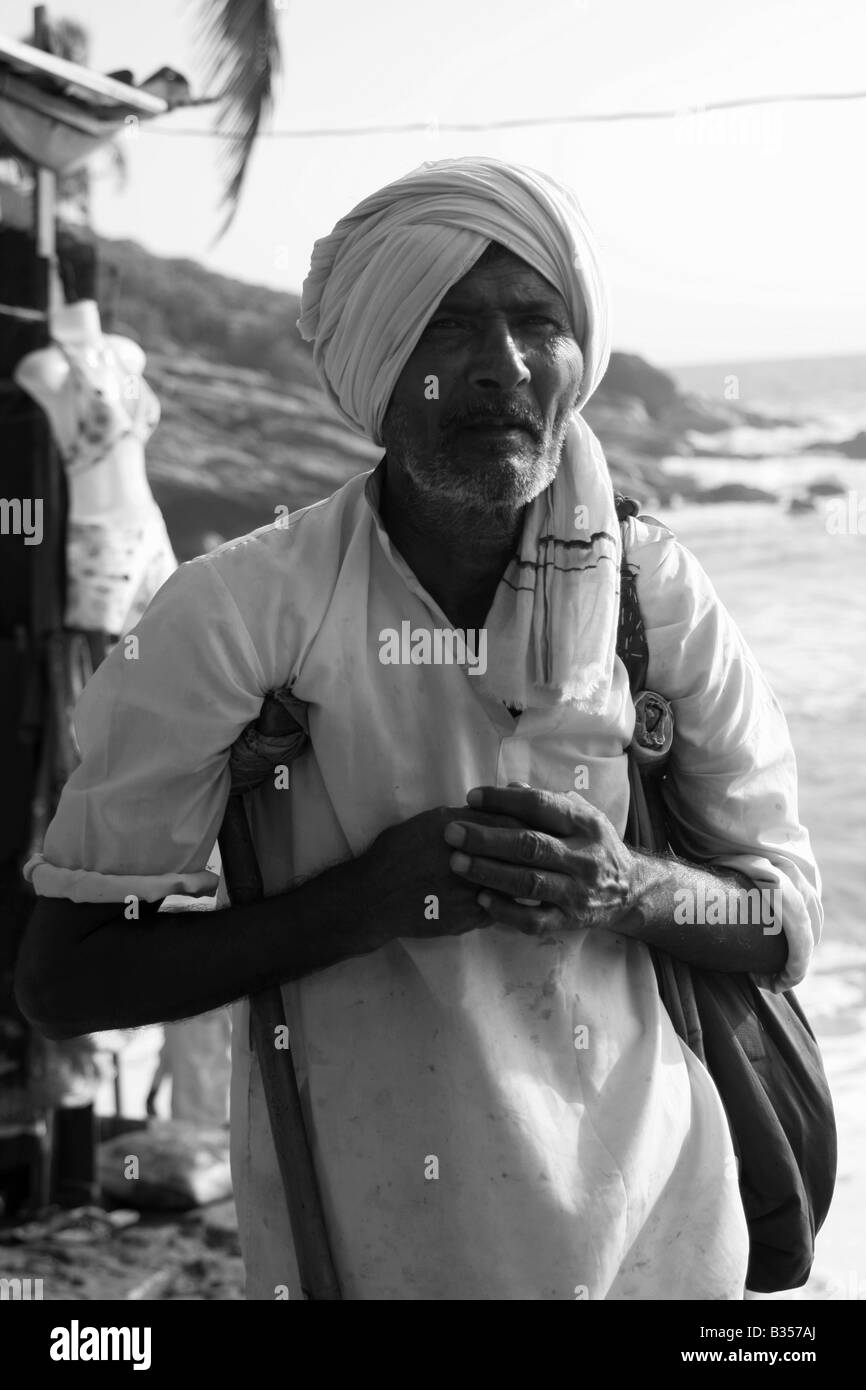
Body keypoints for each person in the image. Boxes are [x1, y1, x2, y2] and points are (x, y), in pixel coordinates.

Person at [15, 156, 821, 1301]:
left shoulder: (652, 593)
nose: (501, 367)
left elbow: (785, 918)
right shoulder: (242, 615)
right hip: (369, 1252)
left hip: (669, 1250)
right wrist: (361, 905)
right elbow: (66, 979)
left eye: (536, 322)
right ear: (378, 361)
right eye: (448, 324)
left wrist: (624, 888)